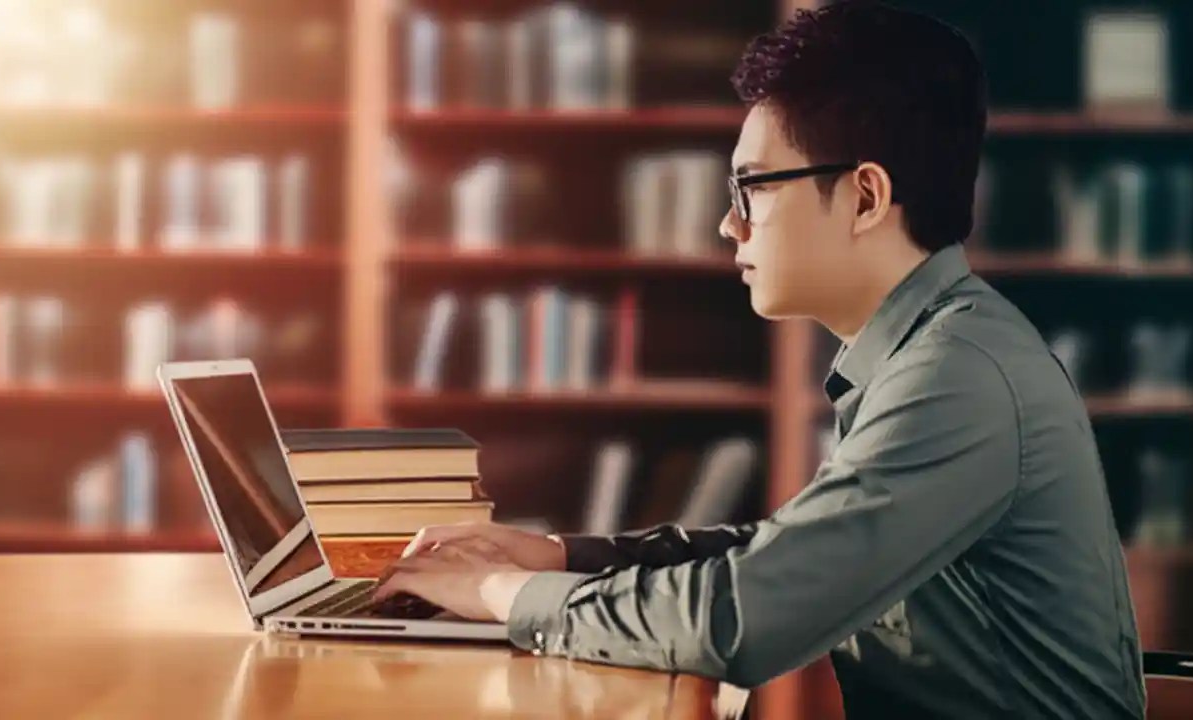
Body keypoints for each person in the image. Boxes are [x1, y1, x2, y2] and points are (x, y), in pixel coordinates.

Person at [371, 3, 1146, 717]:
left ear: (866, 198)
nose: (725, 224)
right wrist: (557, 555)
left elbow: (747, 618)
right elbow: (788, 554)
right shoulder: (932, 350)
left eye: (750, 189)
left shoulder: (958, 376)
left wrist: (501, 592)